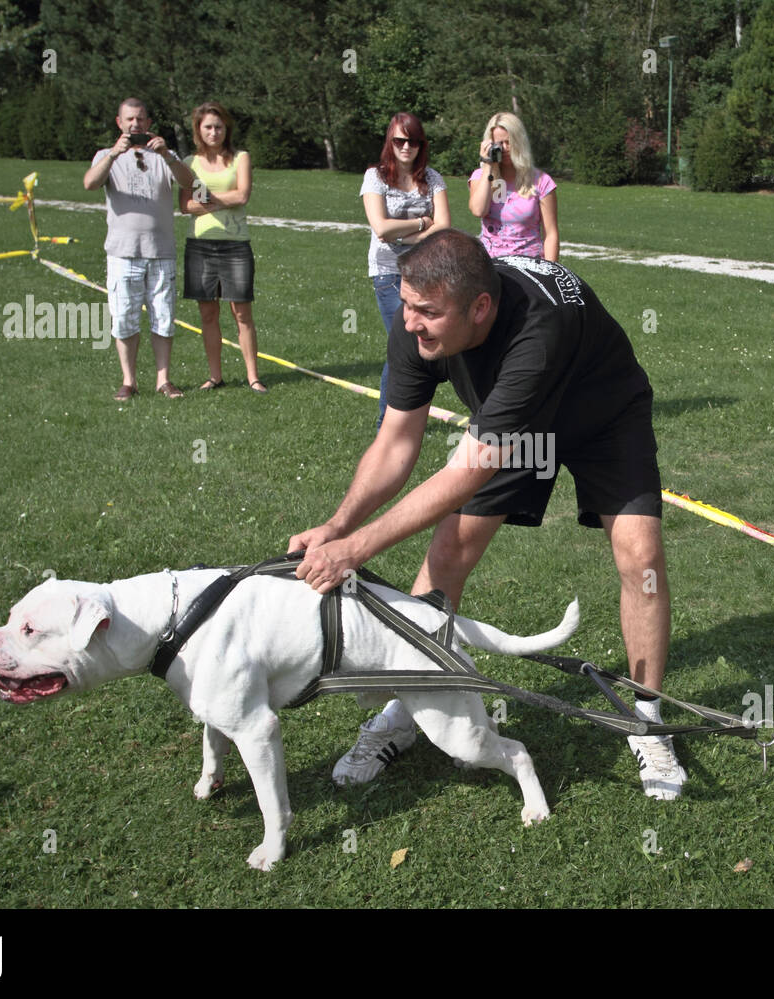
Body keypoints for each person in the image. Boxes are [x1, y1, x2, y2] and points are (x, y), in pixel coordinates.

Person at [289, 229, 684, 801]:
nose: (410, 322)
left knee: (640, 556)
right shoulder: (417, 325)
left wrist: (357, 551)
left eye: (427, 311)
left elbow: (470, 470)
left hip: (604, 416)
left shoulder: (536, 332)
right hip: (514, 422)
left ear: (480, 308)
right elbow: (396, 443)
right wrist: (337, 526)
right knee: (449, 549)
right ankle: (407, 707)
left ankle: (646, 719)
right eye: (405, 305)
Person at [83, 97, 197, 400]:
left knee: (163, 316)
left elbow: (192, 184)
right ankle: (129, 381)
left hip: (160, 251)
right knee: (124, 318)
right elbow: (90, 184)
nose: (136, 125)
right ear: (120, 123)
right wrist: (113, 156)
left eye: (141, 119)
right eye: (130, 120)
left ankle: (164, 380)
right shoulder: (105, 155)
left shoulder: (165, 154)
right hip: (123, 252)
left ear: (149, 123)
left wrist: (168, 156)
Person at [360, 112, 450, 425]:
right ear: (390, 142)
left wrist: (411, 233)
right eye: (400, 140)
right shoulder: (376, 177)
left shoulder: (433, 178)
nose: (406, 146)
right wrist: (423, 223)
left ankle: (400, 417)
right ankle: (390, 419)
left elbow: (446, 227)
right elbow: (381, 229)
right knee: (405, 341)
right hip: (388, 272)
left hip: (425, 273)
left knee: (423, 342)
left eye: (413, 140)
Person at [177, 102, 266, 393]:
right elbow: (185, 206)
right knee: (208, 314)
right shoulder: (189, 163)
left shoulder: (240, 158)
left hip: (235, 245)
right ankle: (215, 376)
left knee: (242, 313)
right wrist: (217, 201)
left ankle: (253, 376)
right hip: (200, 246)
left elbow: (242, 195)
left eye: (219, 126)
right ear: (198, 130)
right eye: (208, 127)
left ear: (226, 128)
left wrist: (209, 200)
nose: (214, 132)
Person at [468, 111, 559, 261]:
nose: (503, 148)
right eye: (498, 144)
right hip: (490, 264)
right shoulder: (481, 177)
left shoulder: (542, 181)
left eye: (508, 142)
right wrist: (488, 167)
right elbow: (478, 210)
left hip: (529, 263)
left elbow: (551, 234)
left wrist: (551, 272)